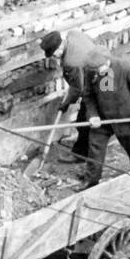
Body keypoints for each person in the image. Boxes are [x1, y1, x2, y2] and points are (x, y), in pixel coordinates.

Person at [79, 52, 130, 189]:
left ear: (107, 62)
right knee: (95, 149)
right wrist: (93, 115)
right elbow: (88, 96)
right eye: (95, 71)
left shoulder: (125, 68)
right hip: (103, 118)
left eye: (101, 68)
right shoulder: (90, 71)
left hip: (126, 118)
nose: (98, 73)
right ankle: (91, 182)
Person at [42, 29, 108, 164]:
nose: (54, 57)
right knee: (88, 121)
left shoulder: (70, 62)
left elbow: (78, 88)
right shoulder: (74, 34)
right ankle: (90, 149)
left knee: (84, 121)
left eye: (54, 54)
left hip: (99, 87)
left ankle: (81, 155)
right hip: (104, 73)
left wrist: (65, 104)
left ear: (60, 47)